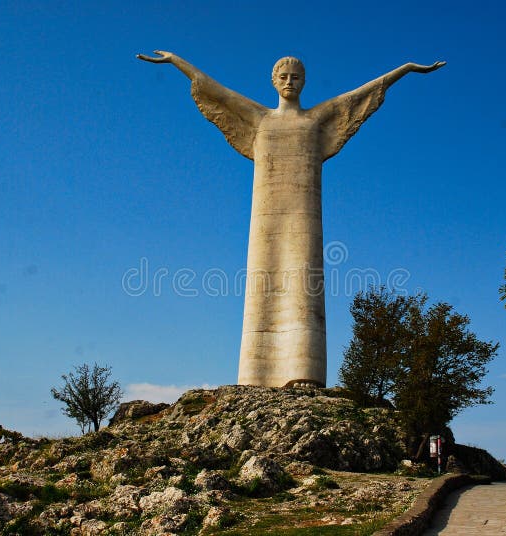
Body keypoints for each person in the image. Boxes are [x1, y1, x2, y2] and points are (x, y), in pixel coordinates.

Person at [136, 51, 445, 388]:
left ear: (304, 82)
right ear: (273, 81)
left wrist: (406, 69)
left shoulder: (316, 120)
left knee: (303, 287)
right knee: (261, 286)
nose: (289, 83)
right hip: (264, 220)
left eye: (295, 77)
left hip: (304, 218)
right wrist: (176, 61)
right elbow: (215, 90)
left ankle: (303, 372)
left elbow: (358, 96)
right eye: (283, 77)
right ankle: (254, 376)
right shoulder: (259, 119)